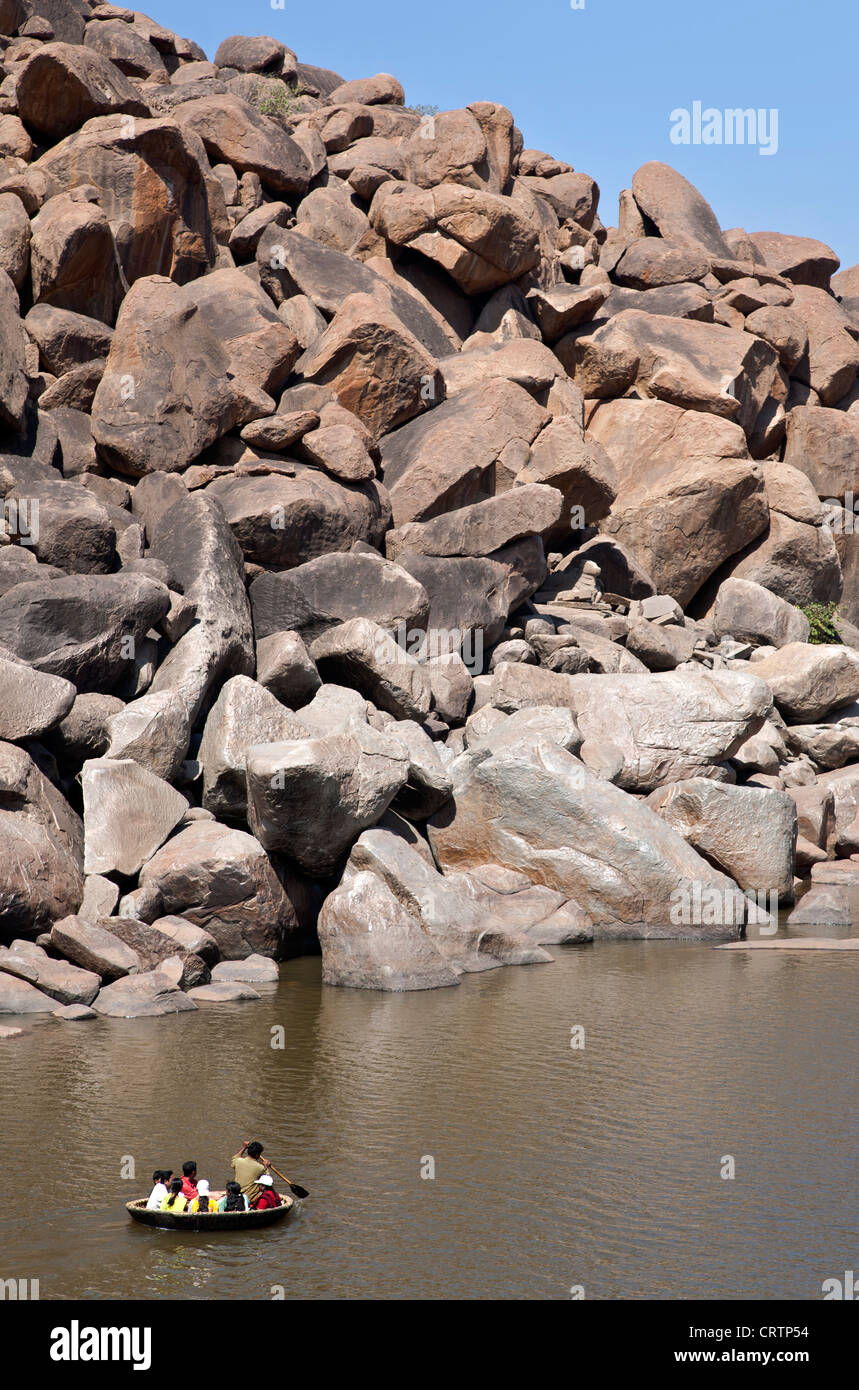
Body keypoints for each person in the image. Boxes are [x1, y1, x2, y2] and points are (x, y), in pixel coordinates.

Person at [230, 1140, 271, 1205]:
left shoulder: (238, 1161)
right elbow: (268, 1181)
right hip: (250, 1199)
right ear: (257, 1154)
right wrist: (267, 1167)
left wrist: (243, 1147)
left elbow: (234, 1158)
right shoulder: (260, 1168)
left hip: (236, 1195)